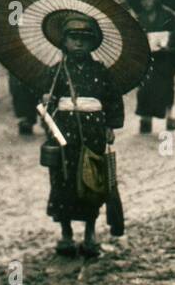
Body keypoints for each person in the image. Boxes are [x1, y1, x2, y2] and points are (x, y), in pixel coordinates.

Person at [42, 14, 125, 258]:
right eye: (73, 38)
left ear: (92, 43)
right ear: (64, 42)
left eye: (84, 39)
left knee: (93, 180)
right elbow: (45, 107)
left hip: (93, 132)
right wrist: (47, 102)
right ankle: (66, 233)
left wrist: (110, 125)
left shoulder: (100, 71)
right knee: (62, 180)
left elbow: (112, 100)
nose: (78, 43)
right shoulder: (56, 72)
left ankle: (90, 233)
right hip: (63, 132)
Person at [133, 0, 175, 135]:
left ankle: (170, 116)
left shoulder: (167, 15)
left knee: (166, 88)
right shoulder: (140, 18)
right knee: (144, 89)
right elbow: (135, 39)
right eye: (143, 0)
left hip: (166, 59)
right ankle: (145, 120)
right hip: (148, 60)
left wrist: (169, 44)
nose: (146, 3)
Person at [7, 0, 40, 135]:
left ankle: (48, 117)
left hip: (40, 40)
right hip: (20, 41)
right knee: (20, 83)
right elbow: (12, 20)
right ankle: (26, 118)